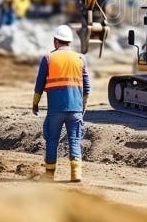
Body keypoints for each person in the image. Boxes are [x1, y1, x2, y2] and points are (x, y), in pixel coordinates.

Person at [32, 24, 90, 182]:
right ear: (70, 42)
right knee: (75, 140)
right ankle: (76, 174)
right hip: (75, 109)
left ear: (55, 41)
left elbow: (39, 84)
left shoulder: (48, 58)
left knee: (52, 140)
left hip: (55, 110)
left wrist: (35, 103)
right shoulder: (80, 59)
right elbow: (87, 87)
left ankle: (50, 175)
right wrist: (82, 108)